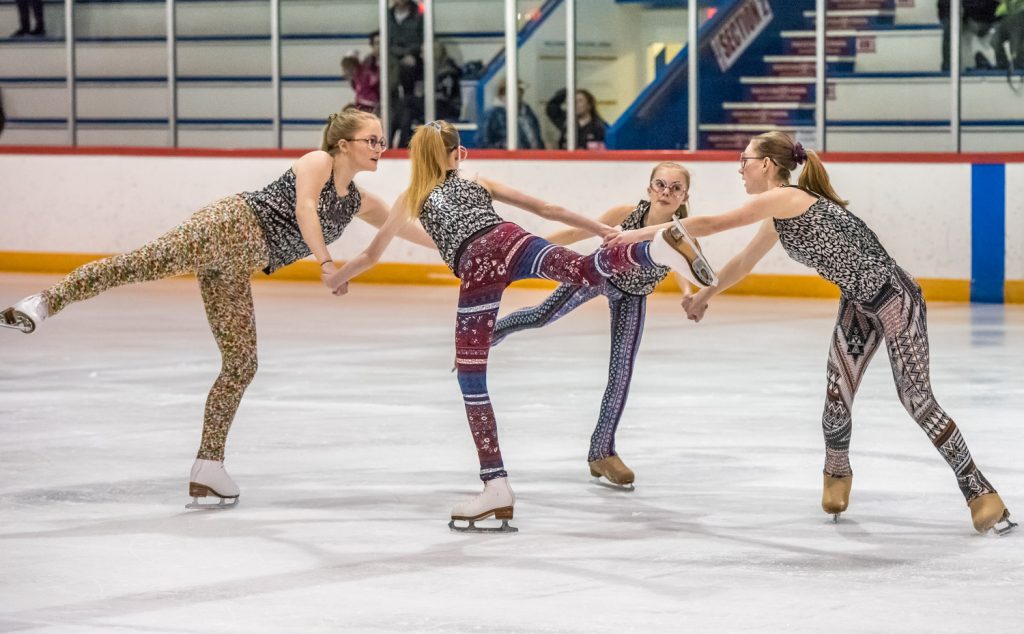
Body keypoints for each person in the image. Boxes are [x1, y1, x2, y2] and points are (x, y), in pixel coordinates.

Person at [0, 109, 433, 511]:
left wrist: (461, 245)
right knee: (133, 266)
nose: (380, 147)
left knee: (242, 363)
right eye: (371, 140)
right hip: (227, 227)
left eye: (380, 141)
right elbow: (305, 209)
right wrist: (324, 262)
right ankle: (43, 302)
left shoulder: (358, 200)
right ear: (344, 144)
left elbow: (407, 230)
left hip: (239, 264)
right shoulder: (317, 160)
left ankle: (209, 465)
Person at [608, 131, 1014, 535]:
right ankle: (836, 475)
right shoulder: (780, 213)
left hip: (895, 298)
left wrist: (638, 234)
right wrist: (705, 296)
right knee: (837, 395)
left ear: (766, 165)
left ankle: (980, 492)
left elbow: (710, 223)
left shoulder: (786, 197)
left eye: (744, 159)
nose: (740, 168)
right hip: (858, 303)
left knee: (916, 399)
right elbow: (744, 262)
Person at [321, 120, 714, 532]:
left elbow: (371, 254)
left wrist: (336, 274)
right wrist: (601, 230)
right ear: (460, 155)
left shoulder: (410, 198)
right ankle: (652, 251)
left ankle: (496, 487)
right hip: (511, 238)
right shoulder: (476, 179)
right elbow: (546, 210)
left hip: (478, 266)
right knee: (582, 269)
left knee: (472, 383)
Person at [490, 163, 696, 488]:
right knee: (542, 314)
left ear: (685, 196)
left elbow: (684, 266)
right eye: (661, 185)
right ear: (649, 189)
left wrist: (689, 295)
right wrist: (522, 252)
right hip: (597, 275)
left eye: (675, 188)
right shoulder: (626, 212)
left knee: (621, 373)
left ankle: (602, 452)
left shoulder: (679, 233)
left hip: (634, 296)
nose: (666, 192)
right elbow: (576, 233)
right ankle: (488, 335)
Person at [387, 0, 424, 147]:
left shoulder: (419, 14)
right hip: (393, 60)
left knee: (406, 102)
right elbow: (387, 42)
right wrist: (401, 55)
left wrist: (411, 54)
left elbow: (422, 38)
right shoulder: (387, 15)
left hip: (413, 61)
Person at [478, 79, 545, 150]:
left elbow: (537, 136)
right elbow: (482, 143)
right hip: (509, 159)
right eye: (516, 91)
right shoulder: (493, 114)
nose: (519, 95)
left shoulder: (527, 111)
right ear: (502, 94)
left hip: (534, 158)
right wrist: (504, 147)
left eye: (521, 92)